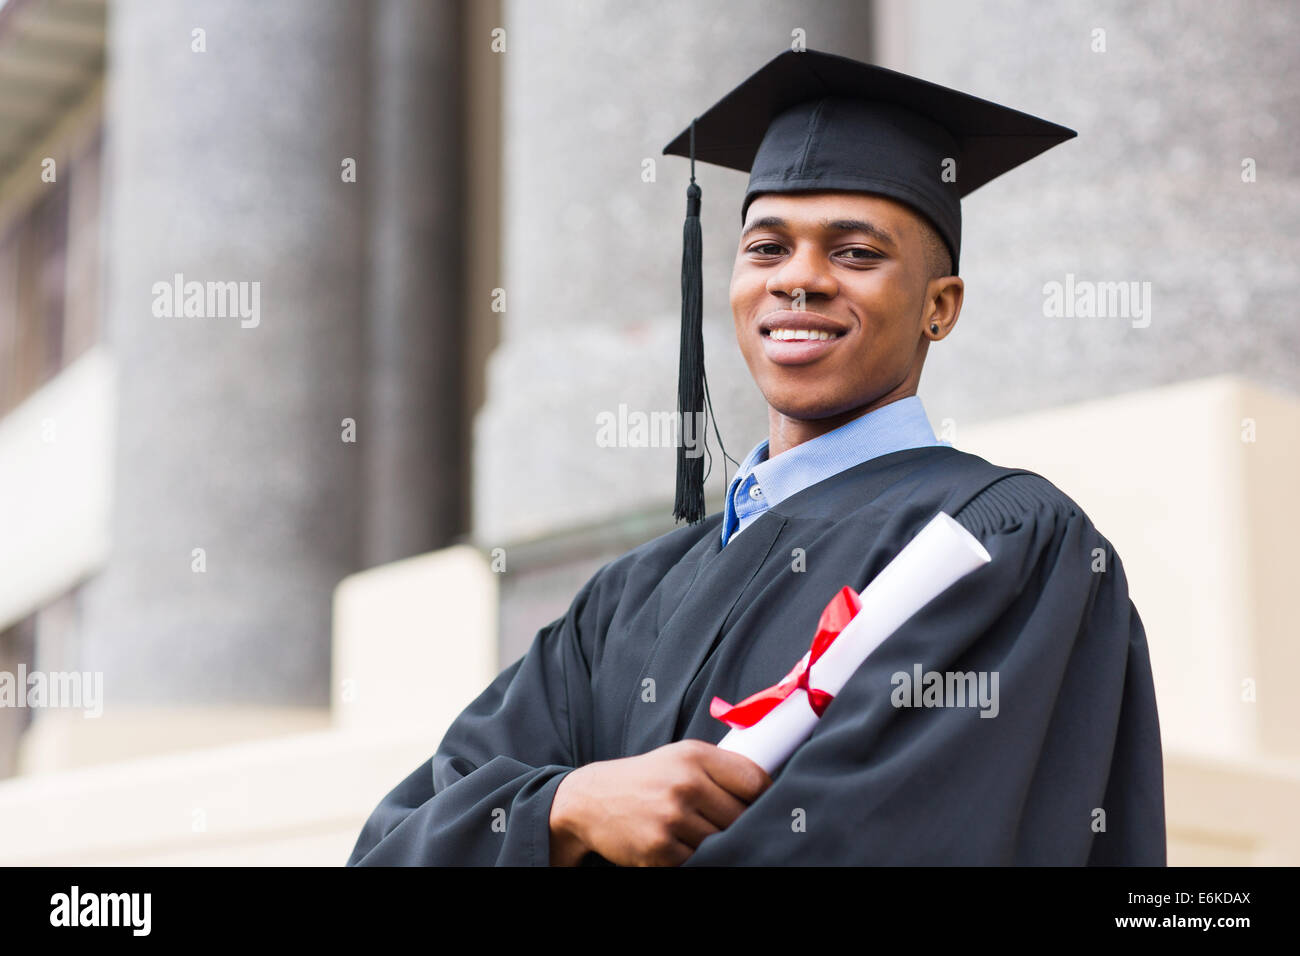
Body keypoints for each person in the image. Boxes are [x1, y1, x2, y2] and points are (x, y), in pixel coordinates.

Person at [346, 48, 1166, 867]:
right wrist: (567, 808)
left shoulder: (1001, 545)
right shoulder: (628, 599)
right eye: (767, 248)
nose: (799, 280)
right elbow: (393, 844)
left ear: (939, 307)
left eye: (856, 253)